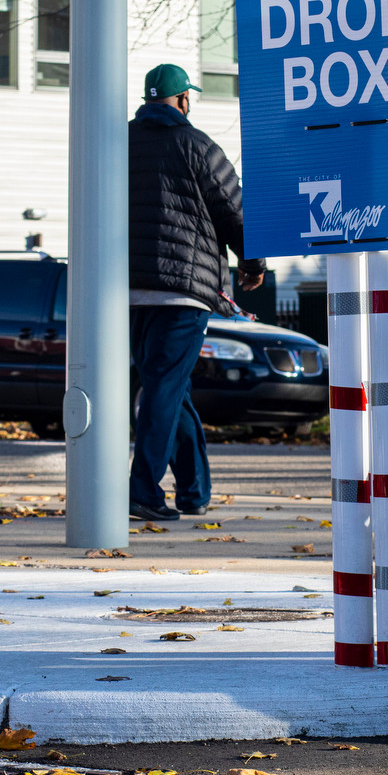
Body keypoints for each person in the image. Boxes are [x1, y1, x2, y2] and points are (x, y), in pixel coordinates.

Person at [127, 63, 265, 522]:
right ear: (183, 100)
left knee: (168, 387)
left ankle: (193, 490)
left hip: (128, 291)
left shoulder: (119, 142)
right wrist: (252, 264)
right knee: (164, 389)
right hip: (184, 292)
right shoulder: (197, 145)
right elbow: (234, 209)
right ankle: (143, 492)